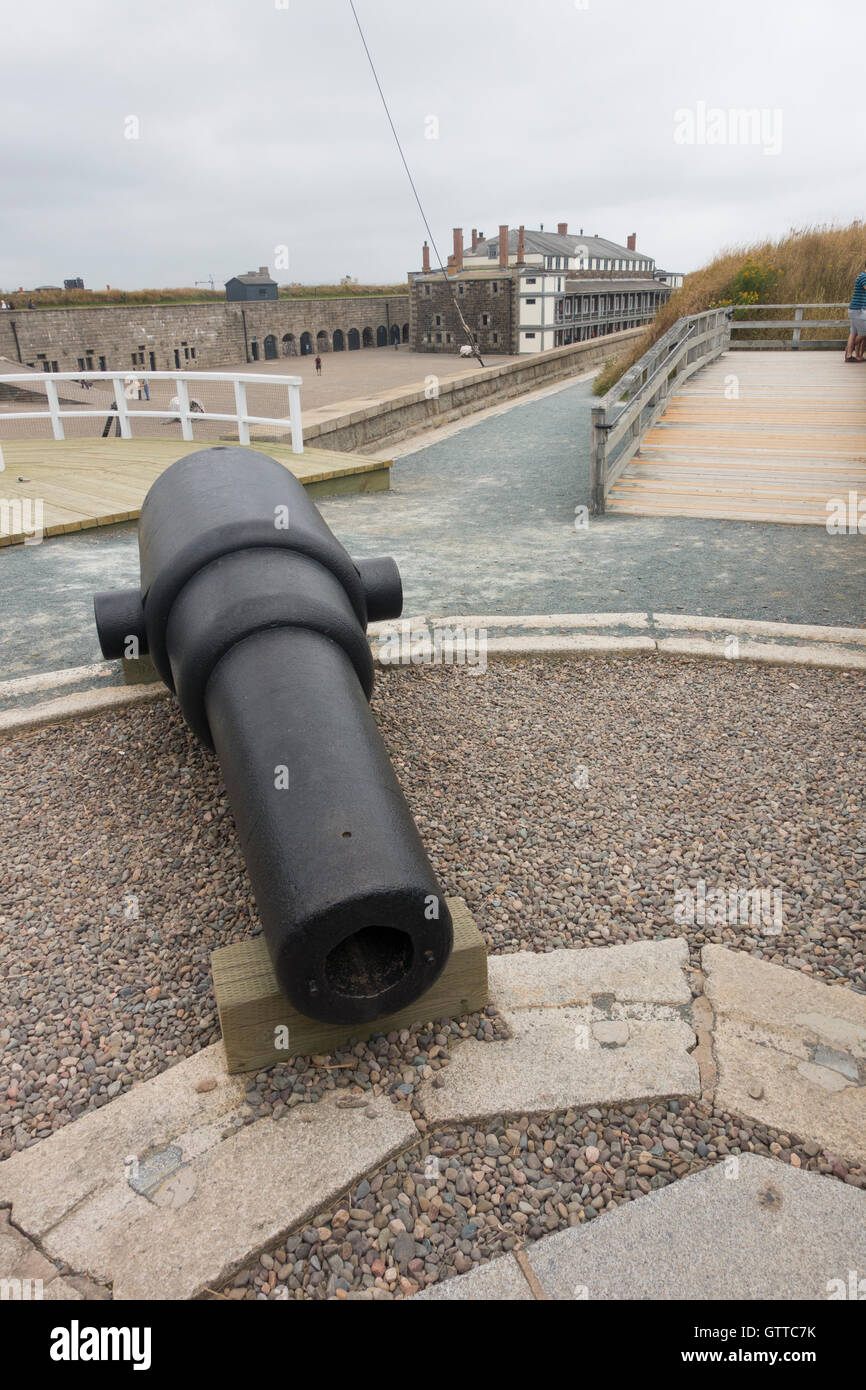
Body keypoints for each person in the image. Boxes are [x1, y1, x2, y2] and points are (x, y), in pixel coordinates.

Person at [845, 259, 866, 362]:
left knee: (853, 333)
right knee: (863, 333)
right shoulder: (864, 277)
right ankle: (849, 350)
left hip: (856, 310)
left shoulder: (862, 276)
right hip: (857, 310)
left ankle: (849, 355)